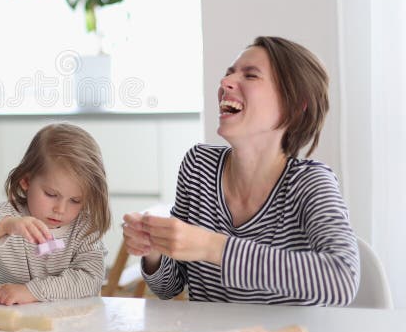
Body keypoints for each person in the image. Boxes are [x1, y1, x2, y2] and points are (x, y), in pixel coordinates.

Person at [122, 36, 360, 305]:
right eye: (229, 74)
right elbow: (169, 286)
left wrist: (213, 247)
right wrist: (153, 252)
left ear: (295, 106)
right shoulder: (199, 166)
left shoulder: (310, 182)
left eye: (251, 75)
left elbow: (342, 278)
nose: (225, 83)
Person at [0, 123, 111, 305]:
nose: (60, 209)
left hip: (69, 323)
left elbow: (89, 280)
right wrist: (6, 226)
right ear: (26, 181)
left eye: (75, 200)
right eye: (51, 194)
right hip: (9, 322)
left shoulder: (85, 228)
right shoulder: (8, 216)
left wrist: (31, 291)